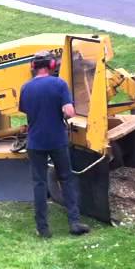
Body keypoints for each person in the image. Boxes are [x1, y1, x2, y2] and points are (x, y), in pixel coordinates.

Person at [19, 51, 89, 239]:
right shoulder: (59, 84)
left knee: (39, 183)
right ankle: (74, 222)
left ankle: (43, 229)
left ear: (33, 67)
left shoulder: (25, 88)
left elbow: (25, 109)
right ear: (51, 65)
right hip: (57, 140)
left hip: (35, 142)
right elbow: (69, 111)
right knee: (66, 179)